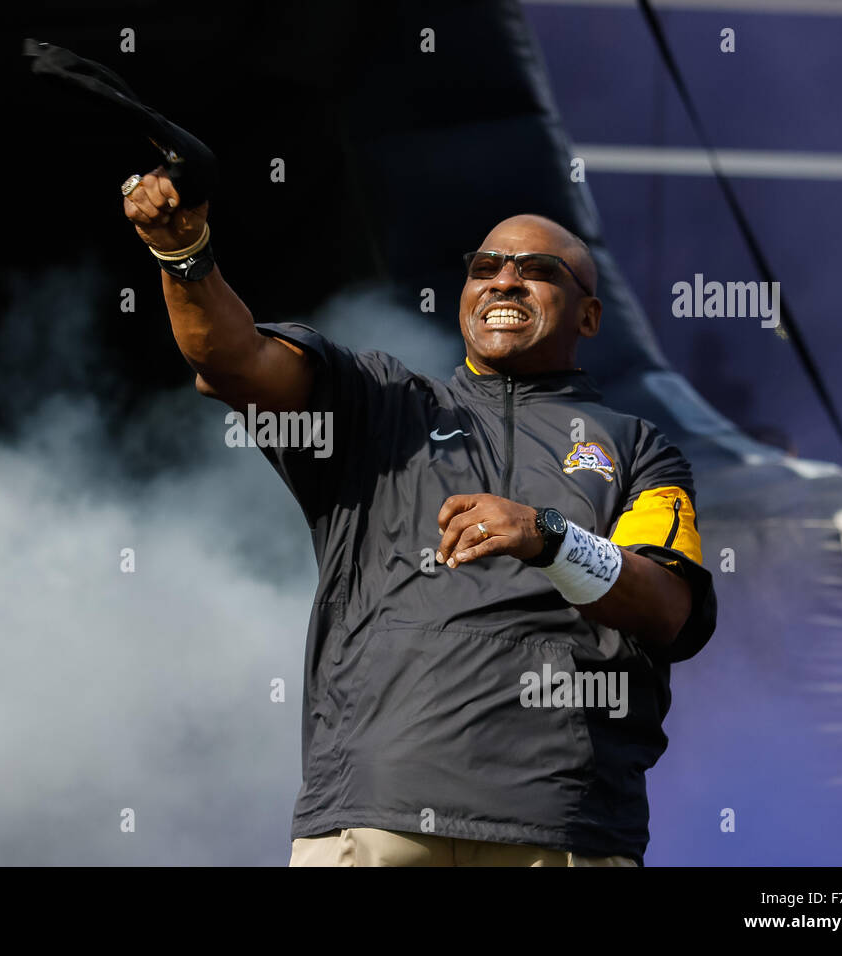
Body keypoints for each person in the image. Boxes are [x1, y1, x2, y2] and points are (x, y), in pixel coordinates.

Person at [121, 165, 717, 867]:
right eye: (485, 268)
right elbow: (233, 359)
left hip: (561, 822)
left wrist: (548, 537)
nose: (503, 281)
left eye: (537, 270)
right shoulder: (379, 399)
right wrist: (183, 252)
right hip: (376, 812)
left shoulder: (637, 448)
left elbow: (669, 607)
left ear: (588, 314)